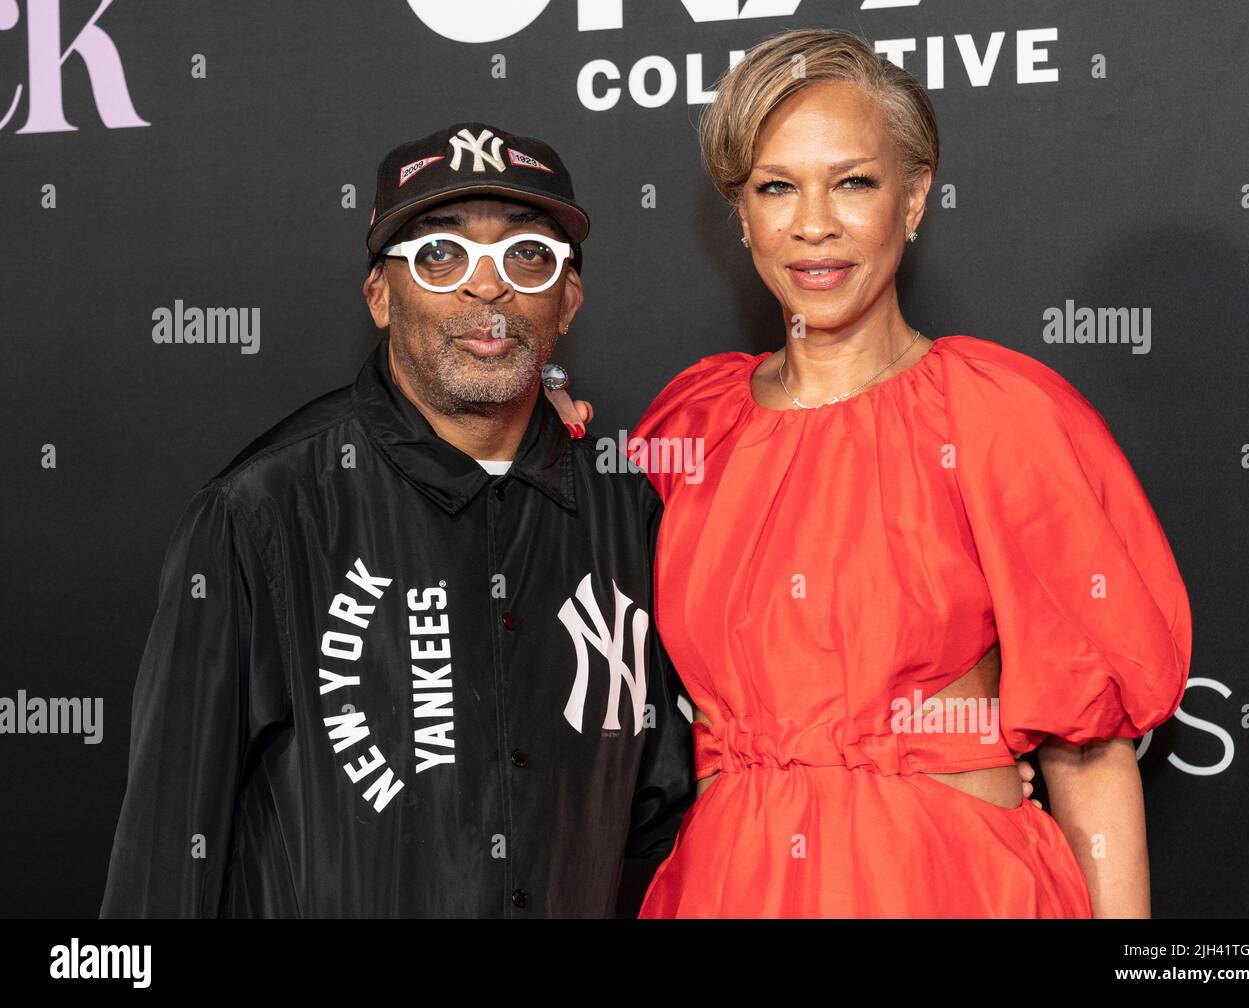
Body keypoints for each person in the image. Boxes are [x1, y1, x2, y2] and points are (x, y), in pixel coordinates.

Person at [623, 29, 1192, 917]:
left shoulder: (996, 413)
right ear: (741, 213)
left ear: (915, 196)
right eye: (777, 187)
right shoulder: (692, 425)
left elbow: (1088, 753)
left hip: (946, 884)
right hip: (728, 886)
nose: (814, 223)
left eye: (853, 182)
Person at [99, 121, 695, 917]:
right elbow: (165, 861)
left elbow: (659, 817)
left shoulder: (627, 513)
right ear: (380, 295)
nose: (488, 286)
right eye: (440, 254)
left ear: (569, 300)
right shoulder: (262, 512)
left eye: (527, 254)